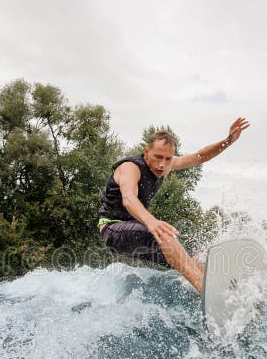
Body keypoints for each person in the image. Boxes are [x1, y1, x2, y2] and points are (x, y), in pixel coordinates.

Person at [98, 117, 250, 293]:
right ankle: (204, 289)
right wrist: (151, 221)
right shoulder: (130, 167)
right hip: (112, 230)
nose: (162, 164)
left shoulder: (166, 165)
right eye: (157, 157)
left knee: (192, 256)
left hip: (139, 231)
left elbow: (200, 156)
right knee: (163, 233)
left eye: (168, 159)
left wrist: (228, 141)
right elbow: (129, 198)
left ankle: (227, 292)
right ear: (146, 151)